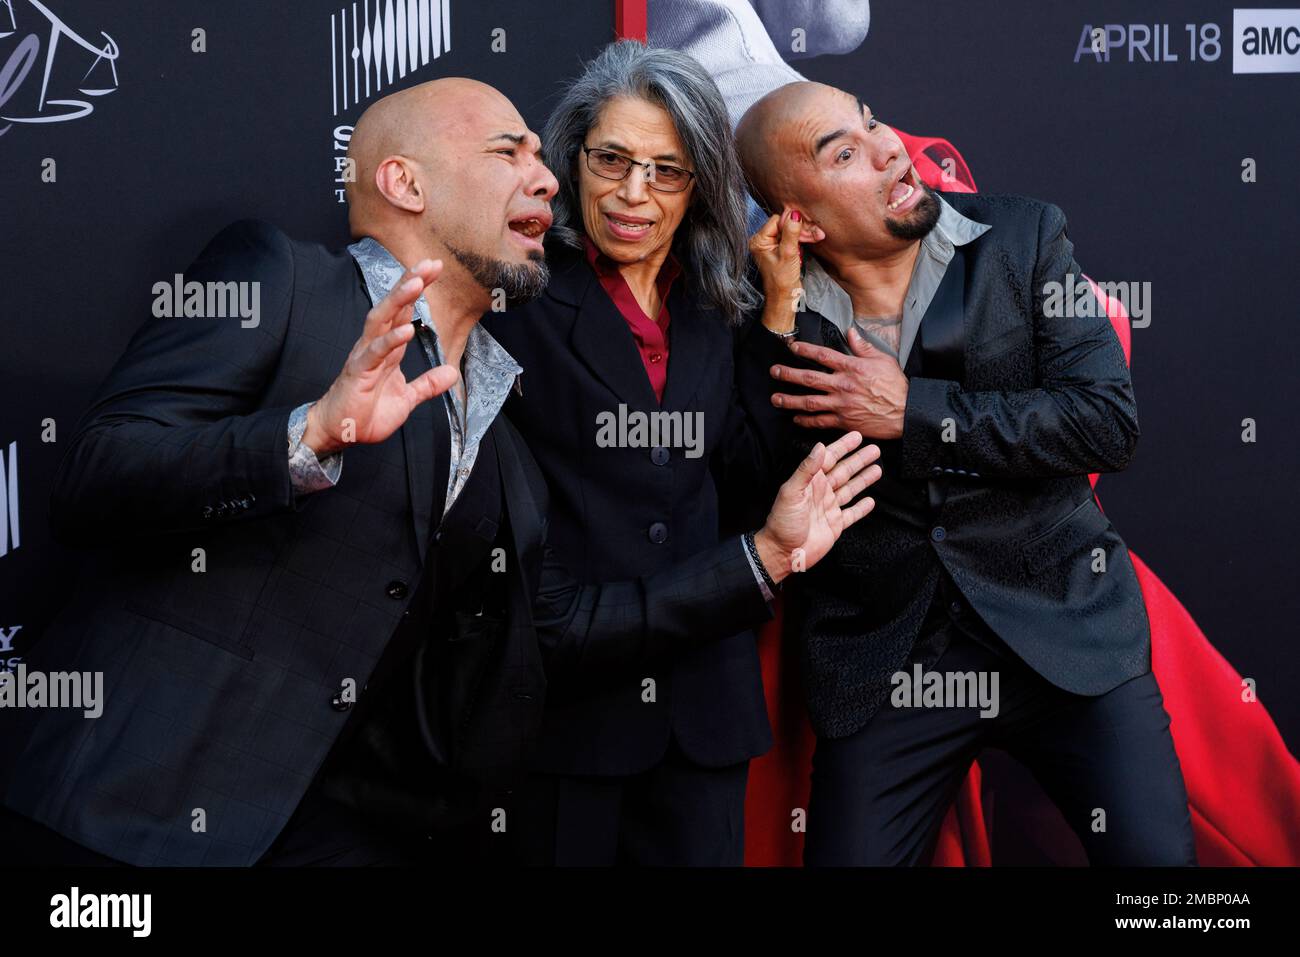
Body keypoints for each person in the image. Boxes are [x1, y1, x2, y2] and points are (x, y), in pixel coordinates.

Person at [0, 77, 882, 867]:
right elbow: (94, 477)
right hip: (118, 816)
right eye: (515, 152)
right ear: (405, 183)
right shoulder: (289, 283)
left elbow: (558, 623)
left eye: (542, 156)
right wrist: (306, 433)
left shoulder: (500, 438)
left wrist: (764, 554)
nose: (547, 175)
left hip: (345, 829)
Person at [733, 80, 1196, 866]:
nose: (889, 149)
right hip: (888, 659)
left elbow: (1106, 423)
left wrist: (914, 410)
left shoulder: (1021, 238)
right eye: (845, 152)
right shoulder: (771, 314)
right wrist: (774, 324)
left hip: (1064, 629)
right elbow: (747, 491)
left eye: (871, 123)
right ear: (799, 220)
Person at [485, 41, 850, 866]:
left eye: (667, 171)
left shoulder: (719, 304)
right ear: (573, 156)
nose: (633, 194)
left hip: (703, 720)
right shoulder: (517, 297)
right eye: (612, 159)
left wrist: (780, 318)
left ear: (701, 186)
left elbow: (751, 484)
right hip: (567, 721)